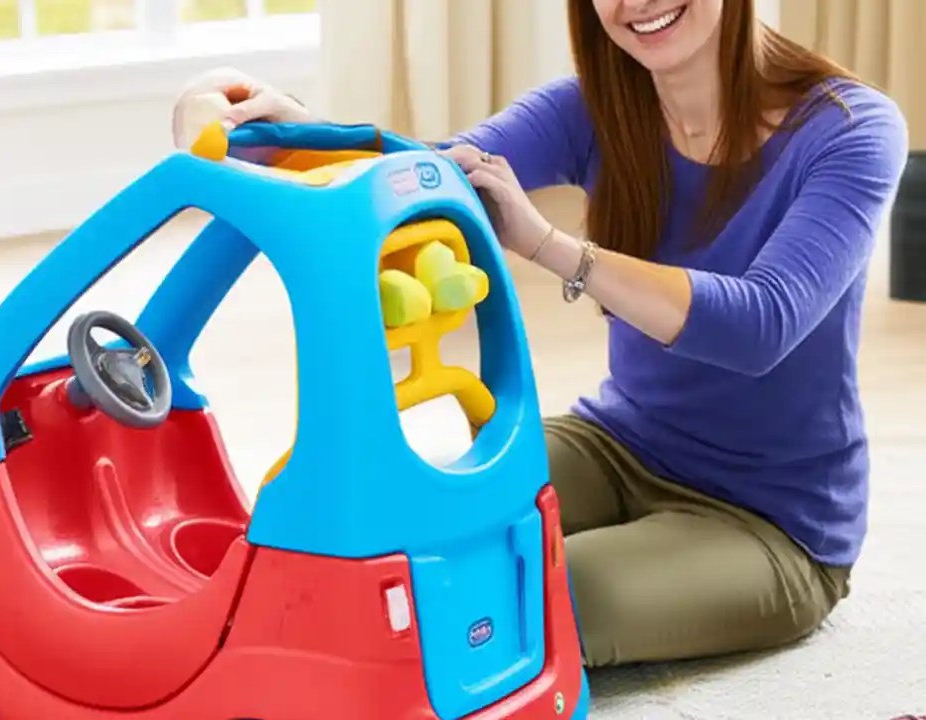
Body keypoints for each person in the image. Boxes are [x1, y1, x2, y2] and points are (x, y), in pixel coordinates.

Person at [171, 0, 910, 668]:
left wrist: (549, 244)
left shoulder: (852, 130)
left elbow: (760, 324)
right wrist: (272, 131)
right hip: (620, 444)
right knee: (407, 523)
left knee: (542, 595)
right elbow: (426, 175)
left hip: (772, 522)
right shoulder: (600, 106)